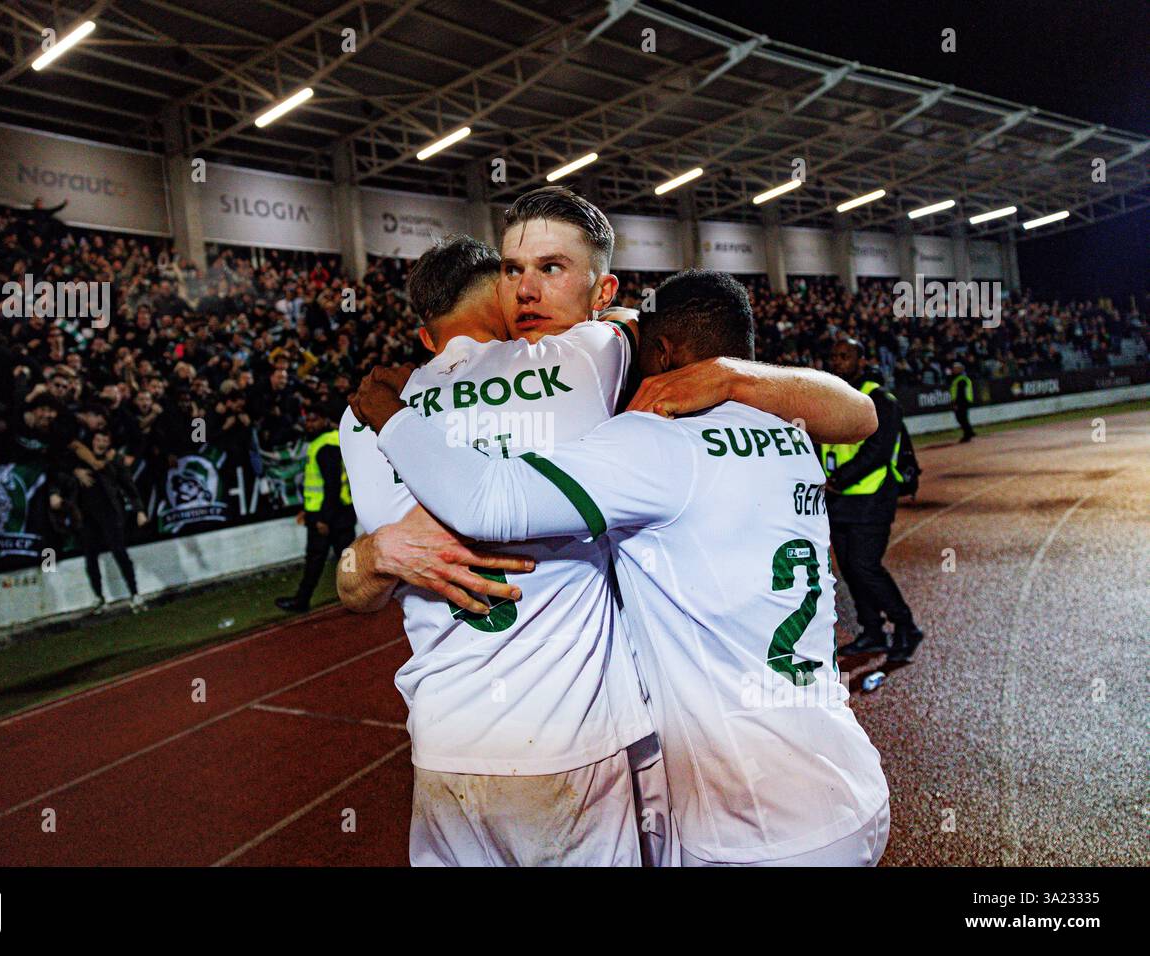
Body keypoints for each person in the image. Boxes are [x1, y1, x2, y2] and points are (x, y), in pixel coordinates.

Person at [337, 191, 877, 866]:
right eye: (514, 274)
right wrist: (730, 372)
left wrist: (376, 549)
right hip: (592, 749)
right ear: (500, 300)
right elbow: (858, 415)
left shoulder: (362, 417)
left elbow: (355, 590)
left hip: (447, 748)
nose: (528, 291)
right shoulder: (593, 361)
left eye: (547, 271)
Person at [820, 337, 924, 663]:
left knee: (865, 567)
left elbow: (878, 451)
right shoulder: (832, 396)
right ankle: (872, 632)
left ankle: (906, 626)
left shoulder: (879, 399)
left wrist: (839, 478)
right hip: (838, 501)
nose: (837, 361)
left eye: (845, 355)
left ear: (861, 361)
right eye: (834, 356)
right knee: (850, 570)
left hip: (872, 498)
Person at [274, 405, 357, 613]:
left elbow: (332, 486)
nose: (309, 424)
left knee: (320, 560)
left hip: (329, 516)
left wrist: (323, 519)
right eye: (307, 421)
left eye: (314, 420)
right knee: (347, 560)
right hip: (339, 513)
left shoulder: (324, 445)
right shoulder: (332, 440)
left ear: (324, 420)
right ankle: (360, 598)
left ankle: (303, 601)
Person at [77, 428, 147, 612]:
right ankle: (99, 597)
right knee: (91, 557)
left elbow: (129, 486)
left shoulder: (115, 461)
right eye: (98, 439)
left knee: (119, 552)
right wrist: (76, 473)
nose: (100, 443)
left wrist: (139, 510)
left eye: (104, 440)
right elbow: (59, 469)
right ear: (92, 441)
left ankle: (135, 594)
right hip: (88, 515)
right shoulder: (80, 461)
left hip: (110, 513)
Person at [949, 361, 975, 442]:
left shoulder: (960, 379)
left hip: (962, 402)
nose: (953, 370)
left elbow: (960, 393)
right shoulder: (961, 378)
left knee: (961, 418)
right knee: (963, 418)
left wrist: (956, 403)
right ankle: (969, 432)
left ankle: (968, 434)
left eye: (955, 368)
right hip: (965, 401)